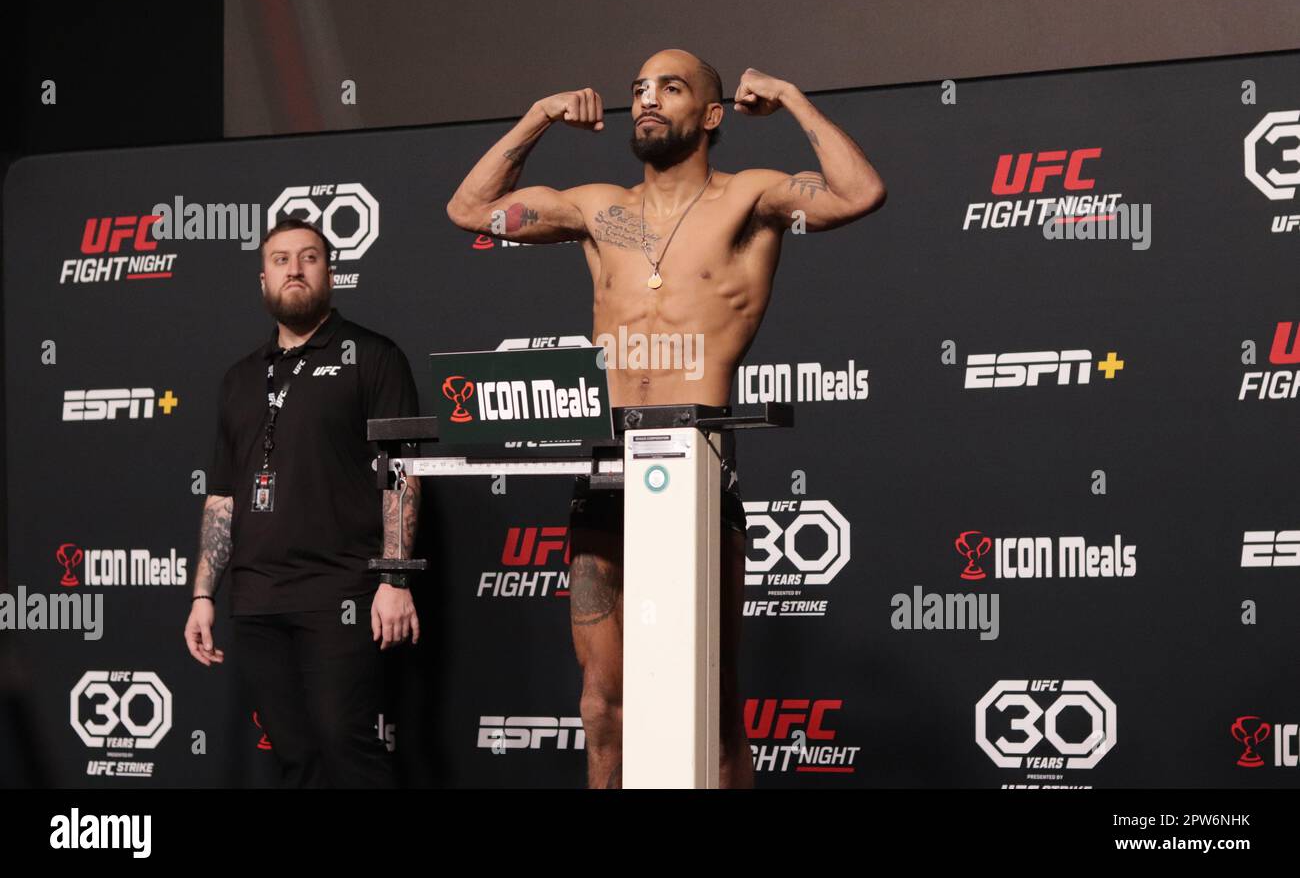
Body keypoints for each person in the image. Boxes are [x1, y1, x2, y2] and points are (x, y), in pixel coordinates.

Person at [445, 49, 886, 787]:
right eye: (639, 89)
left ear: (712, 116)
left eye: (671, 88)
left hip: (696, 475)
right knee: (602, 709)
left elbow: (860, 191)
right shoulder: (597, 209)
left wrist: (790, 97)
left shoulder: (750, 198)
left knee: (708, 717)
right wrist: (539, 116)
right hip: (606, 474)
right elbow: (467, 209)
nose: (647, 100)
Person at [183, 218, 422, 788]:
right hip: (258, 595)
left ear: (329, 273)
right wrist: (202, 594)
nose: (294, 268)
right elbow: (221, 496)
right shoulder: (239, 379)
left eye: (309, 257)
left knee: (346, 743)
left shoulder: (374, 356)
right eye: (281, 259)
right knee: (294, 756)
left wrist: (396, 577)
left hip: (341, 589)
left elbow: (403, 475)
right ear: (262, 278)